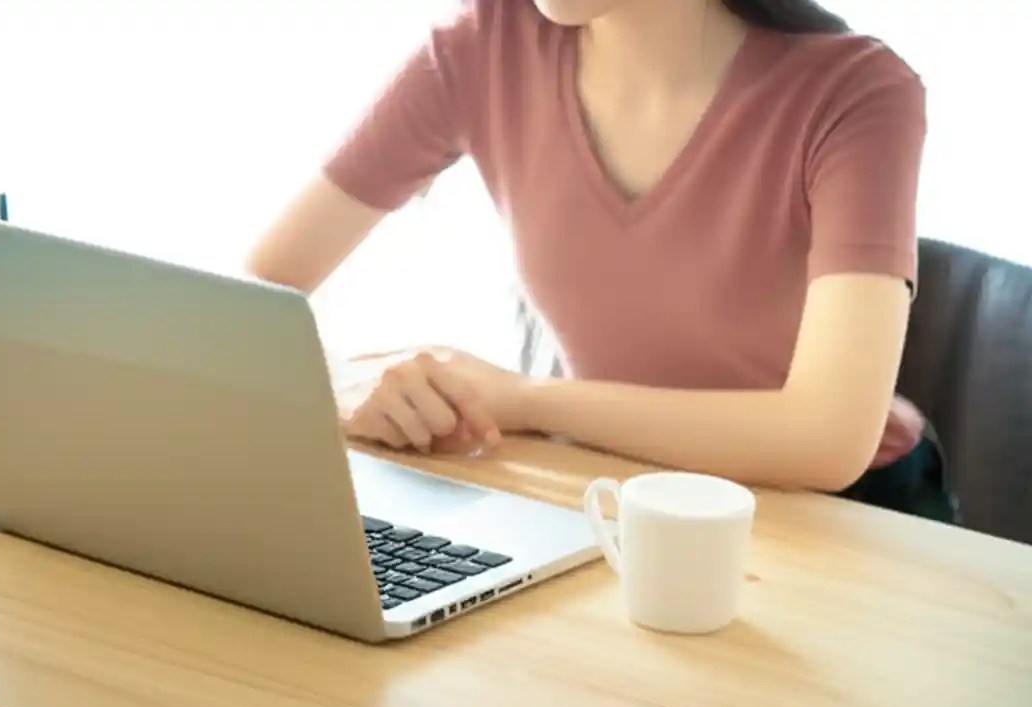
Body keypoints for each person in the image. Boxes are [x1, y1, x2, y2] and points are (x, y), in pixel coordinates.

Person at [242, 0, 959, 523]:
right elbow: (249, 298)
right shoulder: (482, 45)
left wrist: (525, 402)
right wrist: (342, 392)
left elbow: (827, 439)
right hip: (613, 494)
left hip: (849, 515)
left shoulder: (857, 92)